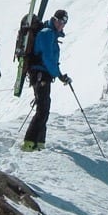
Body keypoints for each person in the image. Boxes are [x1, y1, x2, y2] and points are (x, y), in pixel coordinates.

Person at [21, 9, 72, 152]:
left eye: (64, 23)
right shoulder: (47, 33)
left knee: (44, 106)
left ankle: (39, 142)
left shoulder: (51, 34)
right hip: (40, 74)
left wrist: (58, 74)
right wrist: (59, 75)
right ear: (54, 19)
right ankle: (30, 142)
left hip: (44, 74)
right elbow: (48, 58)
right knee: (42, 108)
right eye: (61, 21)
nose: (62, 25)